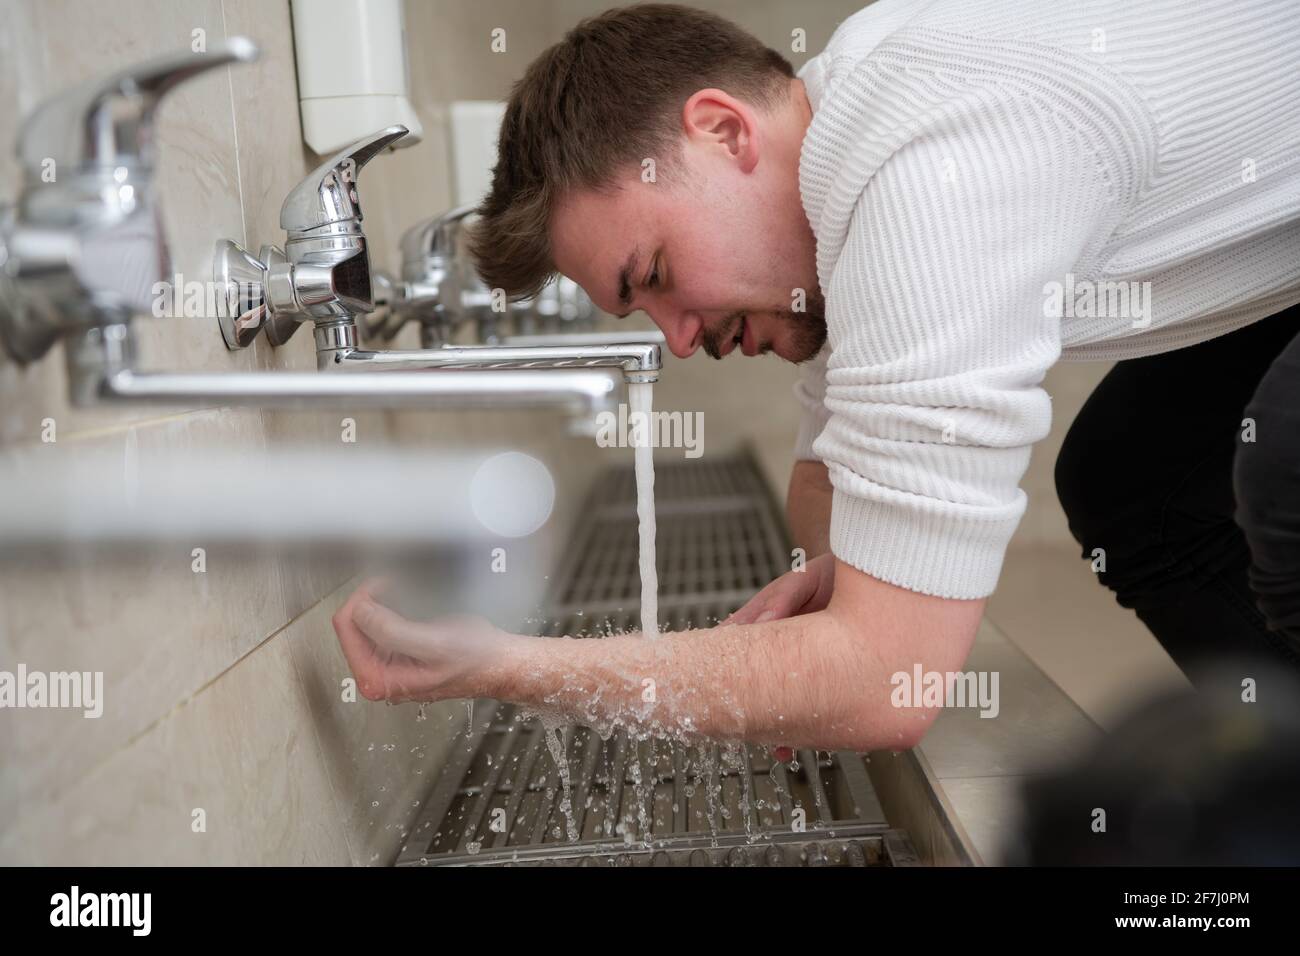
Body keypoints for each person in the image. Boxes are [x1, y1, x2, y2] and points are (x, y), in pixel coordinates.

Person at [333, 0, 1300, 750]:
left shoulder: (933, 176)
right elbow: (825, 474)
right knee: (1131, 483)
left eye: (658, 276)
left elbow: (890, 684)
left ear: (722, 132)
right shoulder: (847, 139)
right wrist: (831, 593)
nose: (678, 341)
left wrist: (511, 665)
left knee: (1285, 476)